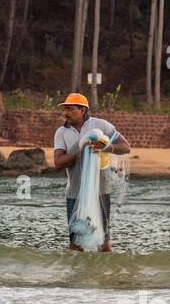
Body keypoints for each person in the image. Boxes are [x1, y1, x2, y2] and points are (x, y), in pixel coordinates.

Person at [52, 93, 131, 252]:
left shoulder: (101, 126)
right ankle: (77, 275)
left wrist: (106, 148)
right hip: (74, 194)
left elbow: (125, 147)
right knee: (75, 244)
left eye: (70, 108)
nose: (65, 112)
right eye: (65, 109)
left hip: (101, 192)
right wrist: (78, 154)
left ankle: (105, 275)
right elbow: (58, 162)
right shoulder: (61, 132)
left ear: (82, 110)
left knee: (105, 243)